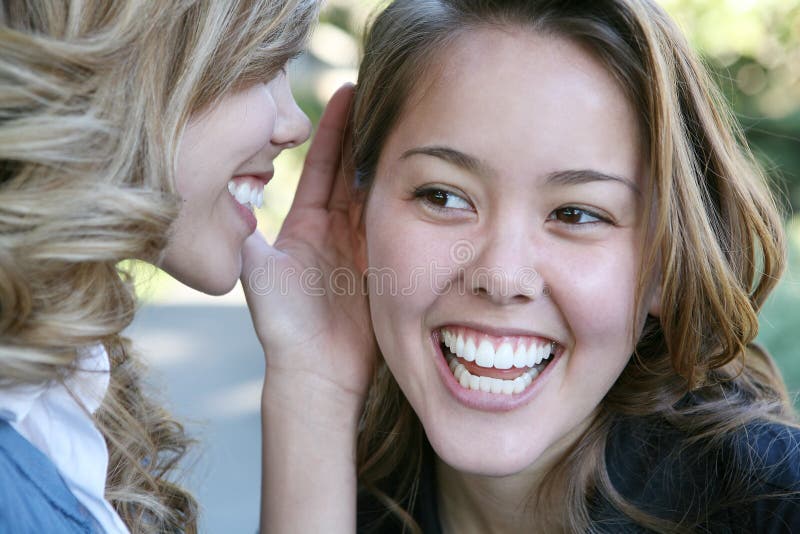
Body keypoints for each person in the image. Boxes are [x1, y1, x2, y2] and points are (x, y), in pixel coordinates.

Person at [245, 0, 800, 532]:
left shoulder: (778, 507)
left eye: (576, 214)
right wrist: (313, 389)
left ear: (665, 263)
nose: (502, 276)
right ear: (360, 221)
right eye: (443, 196)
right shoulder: (336, 505)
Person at [0, 0, 324, 531]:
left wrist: (310, 370)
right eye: (265, 64)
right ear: (132, 59)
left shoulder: (68, 380)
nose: (295, 123)